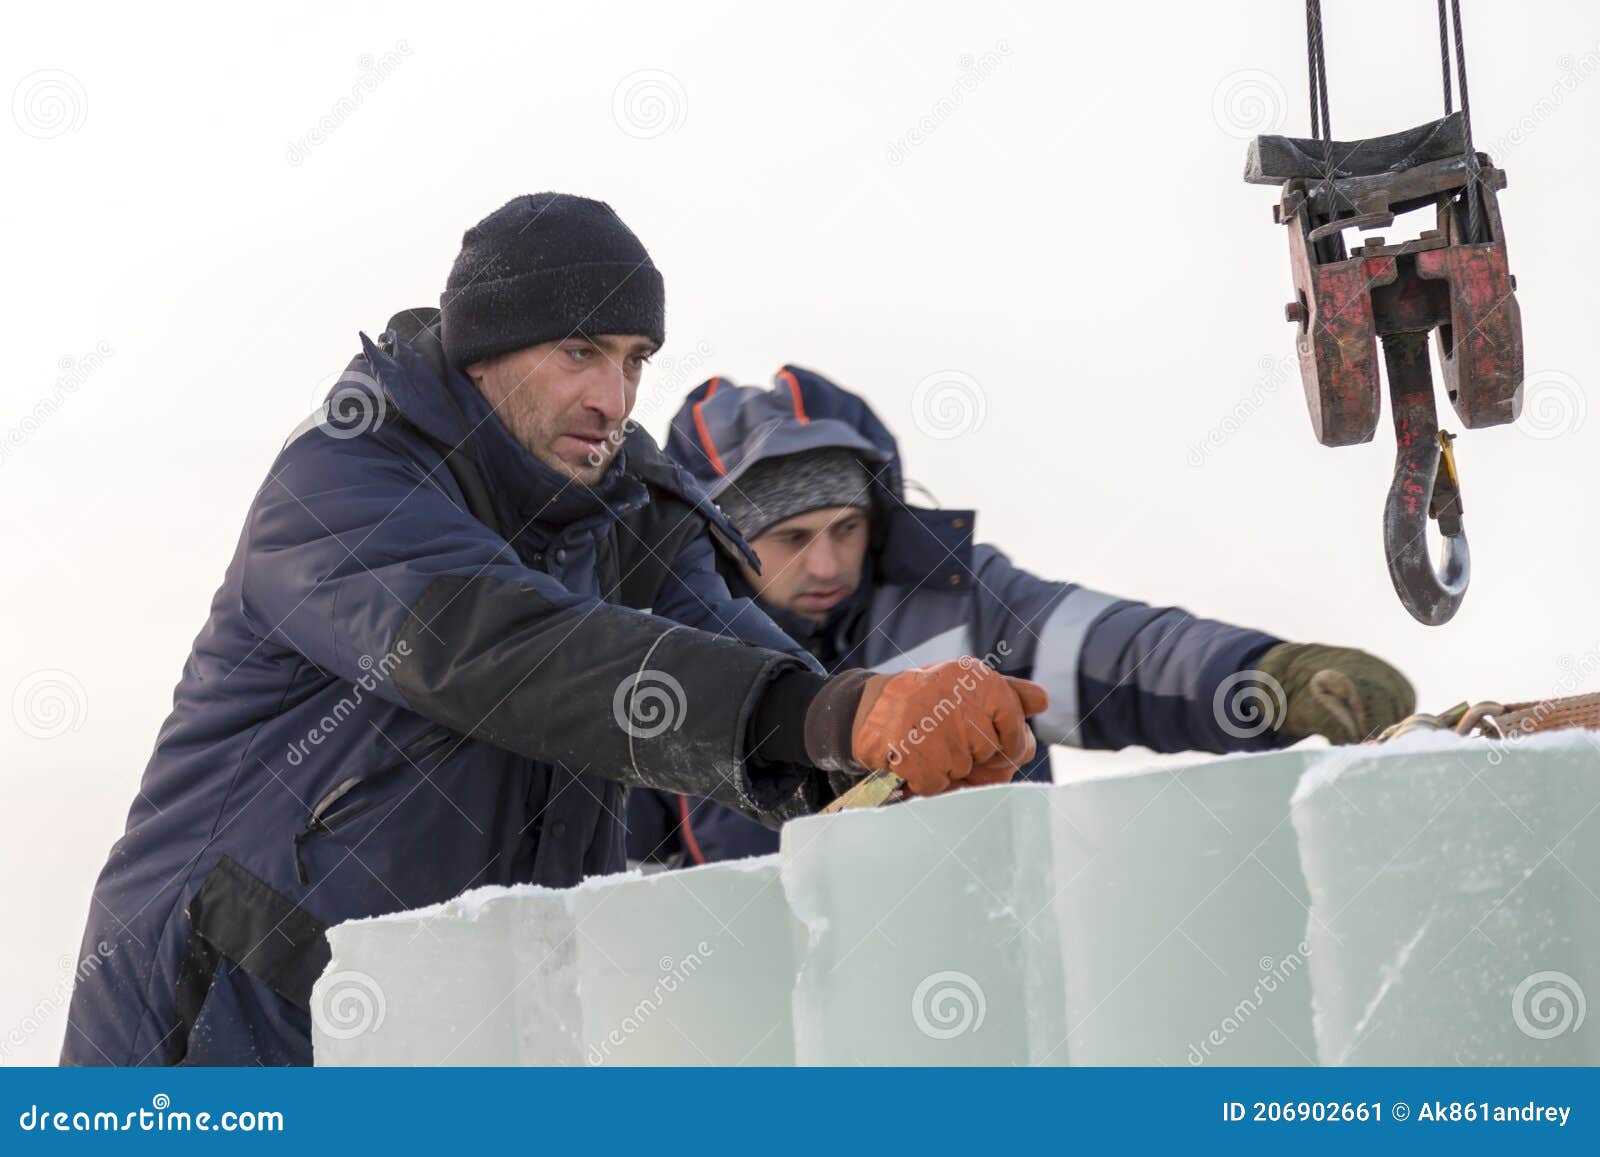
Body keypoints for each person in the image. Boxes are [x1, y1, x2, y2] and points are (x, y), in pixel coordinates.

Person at [62, 197, 1043, 1066]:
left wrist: (878, 740)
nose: (611, 399)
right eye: (580, 352)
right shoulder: (341, 484)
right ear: (485, 350)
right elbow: (504, 648)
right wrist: (830, 711)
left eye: (633, 361)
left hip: (441, 1031)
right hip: (217, 1019)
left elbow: (741, 658)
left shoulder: (631, 513)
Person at [626, 365, 1416, 866]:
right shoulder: (663, 664)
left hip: (1006, 1008)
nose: (829, 563)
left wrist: (1268, 674)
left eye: (847, 528)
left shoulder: (962, 603)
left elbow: (1120, 652)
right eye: (792, 538)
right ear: (723, 544)